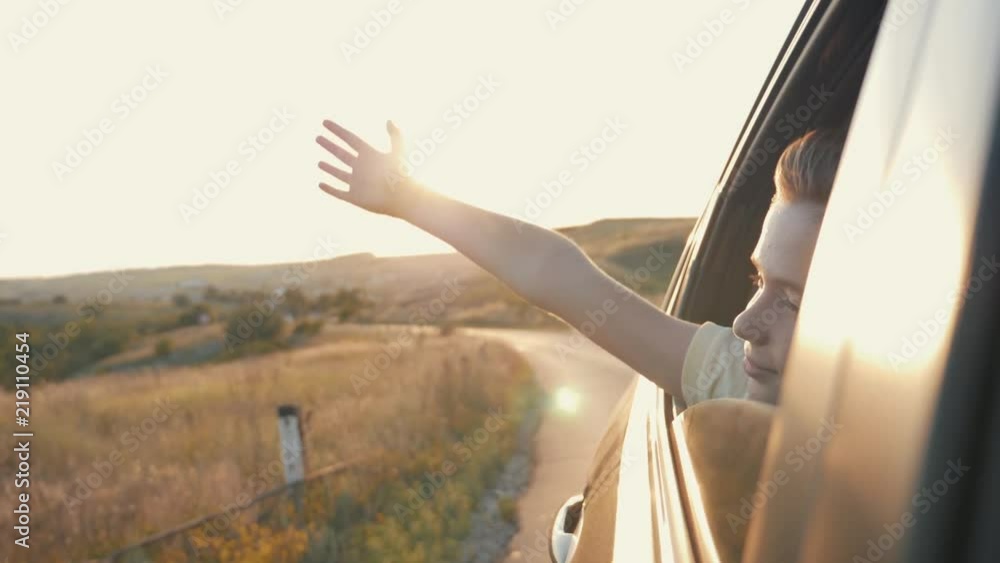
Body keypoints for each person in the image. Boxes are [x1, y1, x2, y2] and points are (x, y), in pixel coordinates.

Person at [315, 121, 845, 406]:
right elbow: (557, 274)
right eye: (758, 280)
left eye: (794, 301)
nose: (745, 323)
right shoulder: (730, 373)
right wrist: (411, 200)